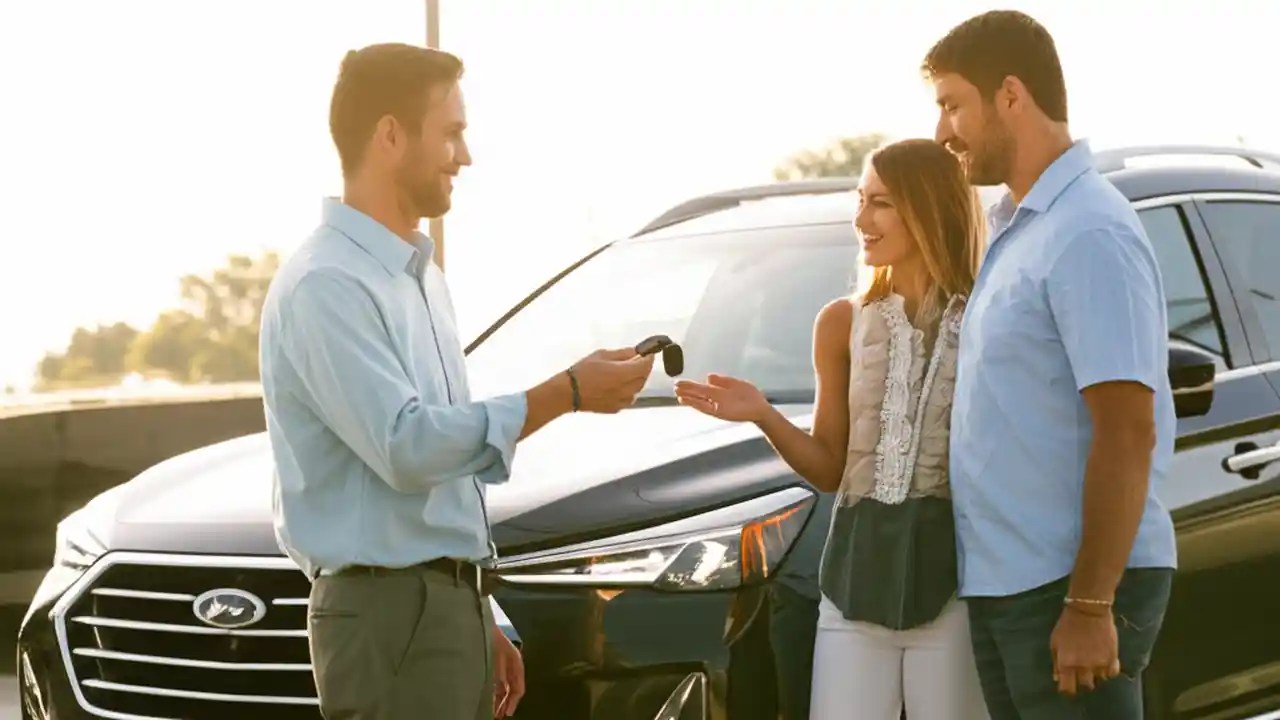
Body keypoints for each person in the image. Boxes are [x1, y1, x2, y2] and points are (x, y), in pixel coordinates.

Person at [258, 43, 655, 720]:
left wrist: (478, 610)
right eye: (450, 133)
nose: (464, 156)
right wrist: (567, 393)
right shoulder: (328, 284)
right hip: (389, 623)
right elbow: (406, 446)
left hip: (441, 614)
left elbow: (439, 478)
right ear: (390, 135)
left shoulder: (419, 278)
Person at [675, 138, 989, 719]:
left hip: (955, 587)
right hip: (851, 585)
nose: (861, 219)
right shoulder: (840, 323)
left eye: (881, 203)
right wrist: (763, 414)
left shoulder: (985, 318)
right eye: (860, 199)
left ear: (927, 208)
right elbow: (829, 468)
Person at [922, 10, 1178, 719]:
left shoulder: (1088, 230)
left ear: (1010, 95)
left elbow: (1128, 430)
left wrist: (1091, 604)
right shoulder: (1017, 228)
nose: (943, 131)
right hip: (1012, 583)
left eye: (952, 105)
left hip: (1069, 588)